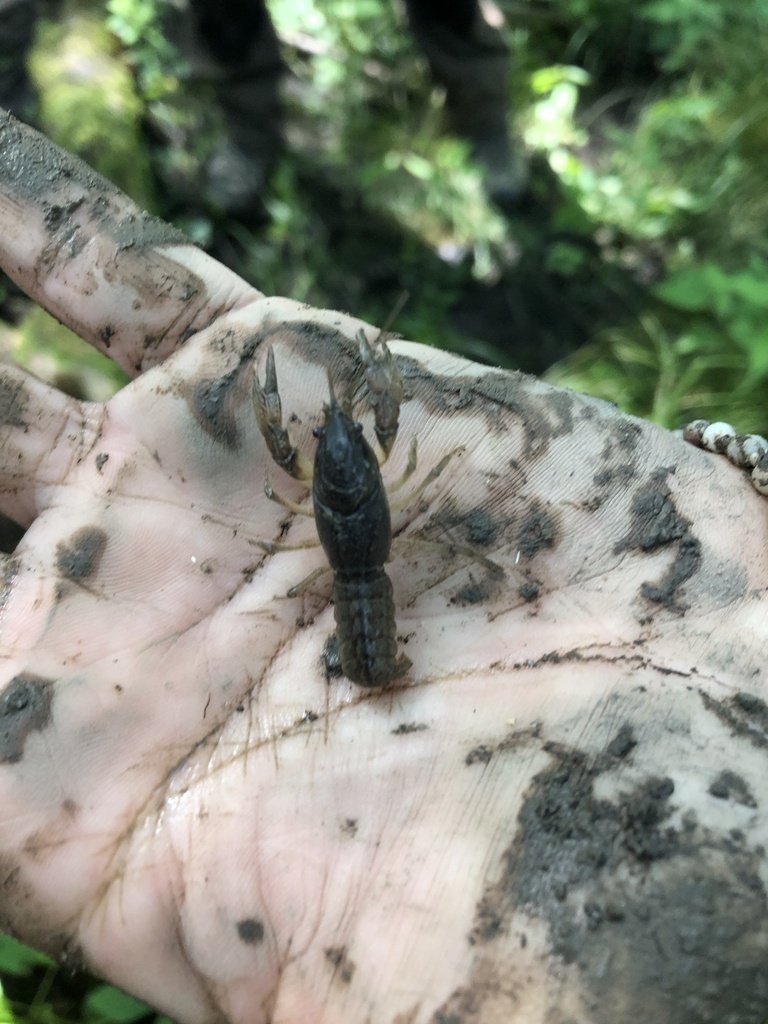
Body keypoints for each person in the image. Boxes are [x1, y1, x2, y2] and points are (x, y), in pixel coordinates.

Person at [0, 109, 766, 1024]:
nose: (336, 442)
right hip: (366, 593)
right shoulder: (356, 474)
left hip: (362, 598)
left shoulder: (330, 483)